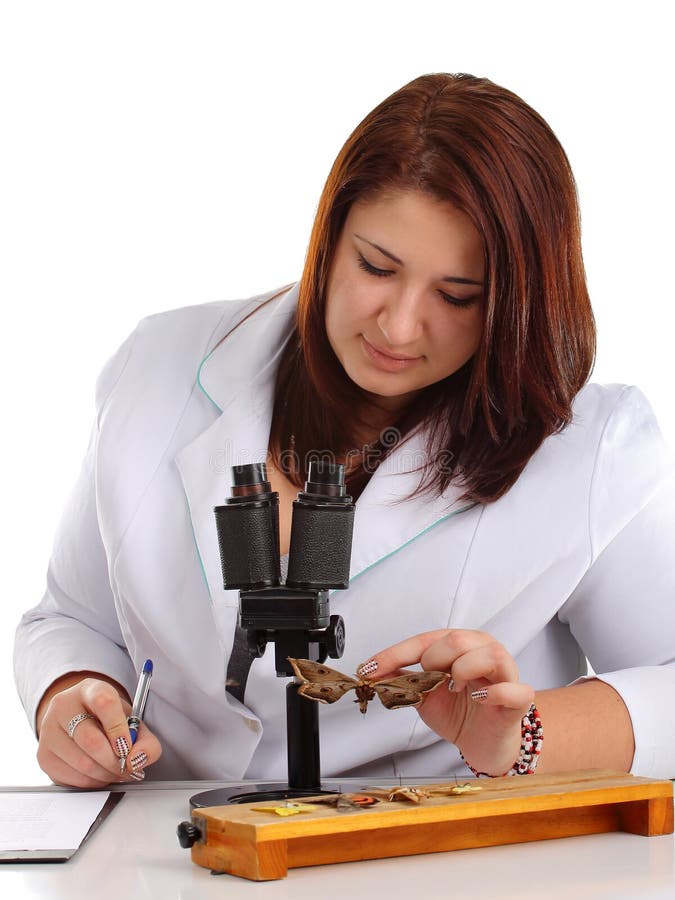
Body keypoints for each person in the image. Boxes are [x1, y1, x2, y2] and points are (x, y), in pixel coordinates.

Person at [15, 73, 675, 788]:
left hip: (422, 840)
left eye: (457, 296)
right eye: (376, 267)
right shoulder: (159, 363)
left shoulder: (589, 449)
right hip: (167, 834)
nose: (399, 326)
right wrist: (72, 697)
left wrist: (519, 737)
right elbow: (70, 620)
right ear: (328, 239)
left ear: (515, 302)